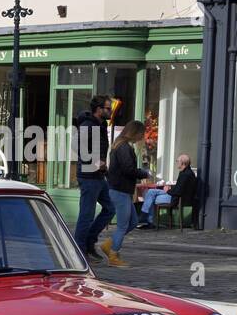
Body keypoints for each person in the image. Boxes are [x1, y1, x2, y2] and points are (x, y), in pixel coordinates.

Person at [101, 120, 149, 267]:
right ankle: (113, 256)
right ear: (135, 132)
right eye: (141, 133)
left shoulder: (122, 146)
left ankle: (109, 245)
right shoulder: (124, 148)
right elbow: (128, 169)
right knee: (123, 225)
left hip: (121, 190)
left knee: (133, 222)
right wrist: (144, 173)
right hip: (120, 190)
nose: (142, 137)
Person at [73, 95, 114, 262]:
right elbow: (76, 146)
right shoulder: (88, 124)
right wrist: (95, 161)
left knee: (110, 208)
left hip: (98, 175)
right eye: (108, 108)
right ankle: (79, 250)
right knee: (86, 214)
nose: (111, 111)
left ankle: (89, 241)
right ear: (99, 109)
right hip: (88, 175)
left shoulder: (101, 124)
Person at [139, 154, 198, 228]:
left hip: (175, 198)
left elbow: (178, 192)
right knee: (151, 192)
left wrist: (168, 191)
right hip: (175, 195)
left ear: (182, 163)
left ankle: (145, 217)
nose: (176, 162)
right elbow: (179, 188)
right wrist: (169, 188)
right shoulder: (186, 172)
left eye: (177, 161)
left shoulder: (185, 175)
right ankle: (146, 218)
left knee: (151, 196)